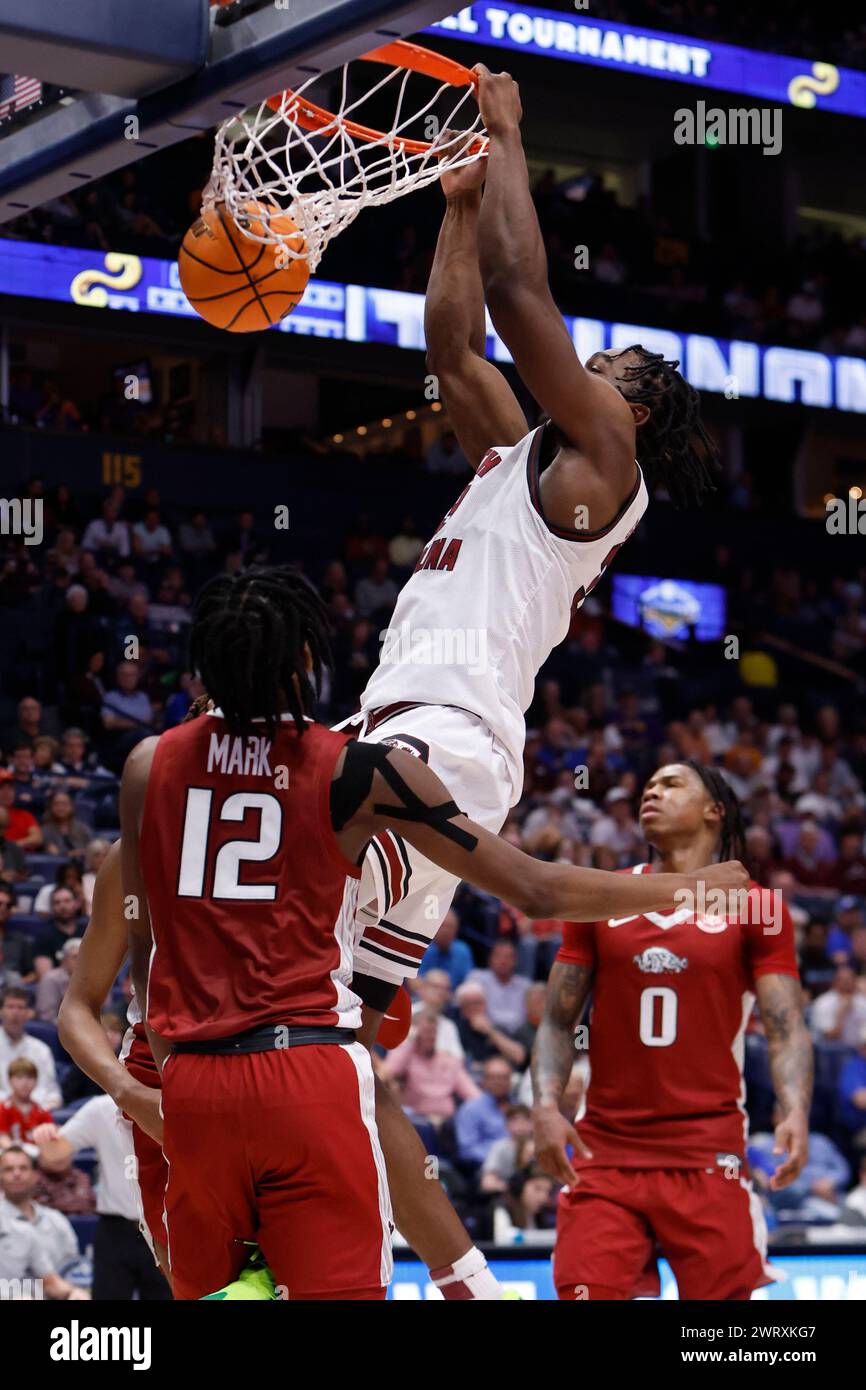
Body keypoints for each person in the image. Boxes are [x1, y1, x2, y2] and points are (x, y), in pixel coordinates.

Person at [118, 567, 744, 1301]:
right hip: (307, 1076)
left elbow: (145, 958)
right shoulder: (360, 771)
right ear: (305, 661)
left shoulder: (148, 765)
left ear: (202, 664)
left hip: (194, 1079)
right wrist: (687, 885)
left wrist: (183, 1073)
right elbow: (535, 888)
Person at [347, 63, 719, 1105]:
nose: (587, 363)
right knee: (338, 1017)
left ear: (633, 412)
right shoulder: (526, 458)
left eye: (609, 367)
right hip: (403, 722)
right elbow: (453, 348)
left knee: (279, 929)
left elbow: (518, 297)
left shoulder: (607, 455)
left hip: (446, 736)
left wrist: (508, 135)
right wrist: (461, 209)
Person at [533, 760, 812, 1300]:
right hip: (605, 1151)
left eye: (671, 784)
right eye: (649, 785)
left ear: (715, 811)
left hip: (708, 1149)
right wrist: (544, 1104)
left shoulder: (755, 906)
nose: (652, 792)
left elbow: (785, 1027)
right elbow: (558, 1019)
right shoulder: (602, 896)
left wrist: (796, 1109)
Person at [32, 1095, 171, 1302]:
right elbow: (54, 1155)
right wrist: (45, 1136)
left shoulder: (174, 1102)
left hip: (166, 1229)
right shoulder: (100, 1108)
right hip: (117, 1229)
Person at [382, 1011, 479, 1124]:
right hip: (417, 1120)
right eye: (426, 1031)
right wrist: (408, 1042)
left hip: (447, 1121)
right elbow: (387, 1073)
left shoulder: (449, 1060)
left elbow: (473, 1094)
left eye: (433, 1031)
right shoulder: (406, 1057)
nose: (431, 1036)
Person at [0, 1145, 78, 1271]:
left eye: (23, 1168)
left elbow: (72, 1269)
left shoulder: (56, 1220)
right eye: (9, 1169)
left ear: (35, 1176)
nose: (17, 1174)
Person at [0, 988, 61, 1109]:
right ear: (1, 1011)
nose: (15, 1013)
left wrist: (35, 1111)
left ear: (28, 1013)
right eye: (10, 1007)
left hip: (37, 1112)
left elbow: (54, 1094)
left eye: (20, 1007)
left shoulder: (41, 1050)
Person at [454, 1055, 514, 1169]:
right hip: (486, 1167)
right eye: (494, 1078)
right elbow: (467, 1150)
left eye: (504, 1078)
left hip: (521, 1166)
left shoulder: (520, 1107)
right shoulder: (470, 1109)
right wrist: (500, 1159)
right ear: (484, 1081)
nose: (499, 1082)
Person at [467, 940, 531, 1033]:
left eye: (508, 957)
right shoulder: (477, 978)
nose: (503, 961)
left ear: (515, 961)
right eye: (498, 956)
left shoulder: (525, 986)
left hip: (519, 1035)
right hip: (484, 1033)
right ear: (490, 959)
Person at [0, 1059, 54, 1153]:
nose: (24, 1083)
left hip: (37, 1155)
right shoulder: (3, 1108)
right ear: (9, 1081)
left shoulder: (42, 1110)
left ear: (36, 1081)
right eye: (19, 1078)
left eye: (30, 1077)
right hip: (9, 1154)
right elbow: (2, 1137)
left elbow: (49, 1138)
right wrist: (16, 1152)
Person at [33, 886, 86, 979]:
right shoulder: (44, 936)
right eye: (57, 902)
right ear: (52, 907)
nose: (62, 906)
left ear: (76, 903)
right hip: (58, 984)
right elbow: (46, 977)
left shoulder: (87, 932)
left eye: (67, 901)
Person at [809, 964, 866, 1047]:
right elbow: (830, 1037)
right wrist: (842, 1014)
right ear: (835, 982)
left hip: (858, 1050)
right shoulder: (824, 1002)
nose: (847, 983)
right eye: (844, 980)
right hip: (830, 1050)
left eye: (850, 980)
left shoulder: (861, 1001)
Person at [418, 909, 473, 988]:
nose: (446, 931)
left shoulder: (462, 950)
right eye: (442, 926)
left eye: (450, 927)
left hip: (453, 995)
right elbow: (414, 983)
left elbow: (468, 982)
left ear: (456, 929)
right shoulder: (421, 947)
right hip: (424, 993)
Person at [35, 939, 81, 1024]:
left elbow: (105, 1010)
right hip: (56, 1025)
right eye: (75, 957)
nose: (80, 961)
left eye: (83, 957)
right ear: (64, 960)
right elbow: (46, 1015)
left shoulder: (95, 978)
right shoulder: (50, 978)